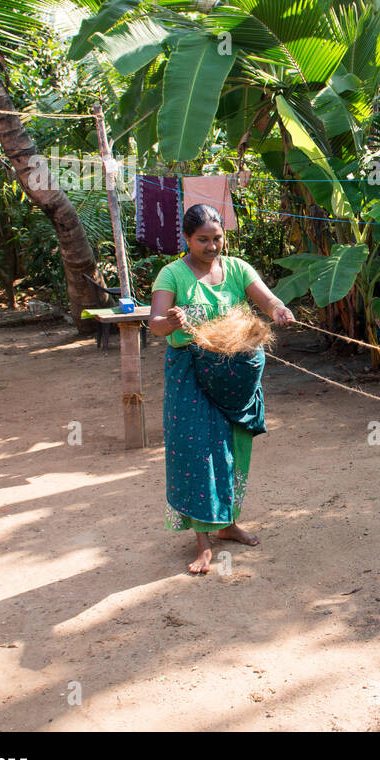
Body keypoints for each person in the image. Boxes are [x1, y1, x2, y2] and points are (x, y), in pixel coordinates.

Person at [149, 203, 296, 574]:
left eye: (217, 238)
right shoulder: (171, 275)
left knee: (232, 447)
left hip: (233, 376)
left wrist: (278, 309)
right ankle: (203, 543)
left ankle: (228, 524)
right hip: (189, 375)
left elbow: (266, 299)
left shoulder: (236, 269)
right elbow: (154, 325)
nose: (212, 246)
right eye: (203, 240)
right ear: (185, 238)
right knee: (198, 451)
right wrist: (170, 321)